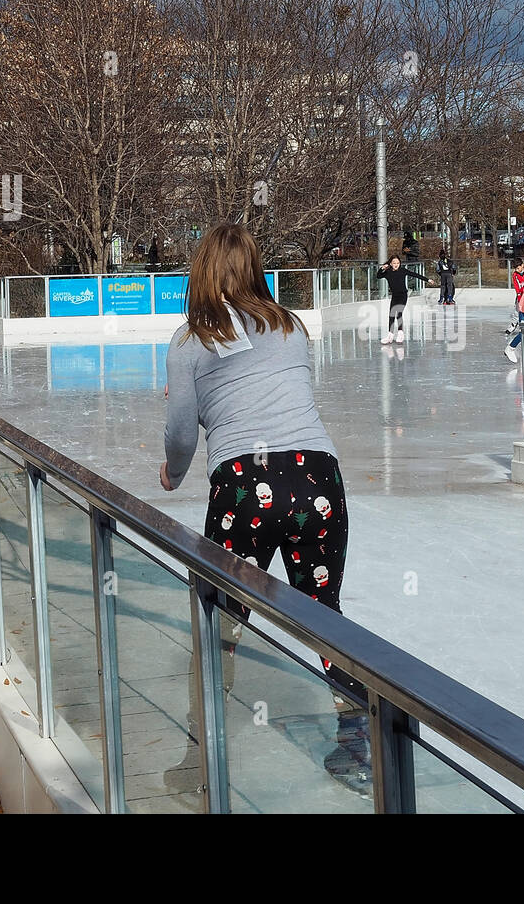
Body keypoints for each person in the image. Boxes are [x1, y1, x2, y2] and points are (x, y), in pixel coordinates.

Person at [160, 223, 370, 795]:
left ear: (200, 271)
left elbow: (181, 433)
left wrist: (173, 472)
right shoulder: (291, 327)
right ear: (255, 268)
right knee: (323, 616)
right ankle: (357, 749)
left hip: (244, 487)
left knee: (218, 623)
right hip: (315, 479)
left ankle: (201, 760)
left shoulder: (188, 343)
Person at [376, 255, 426, 344]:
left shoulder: (403, 271)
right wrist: (382, 268)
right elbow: (378, 276)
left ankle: (400, 334)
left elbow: (415, 275)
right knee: (391, 315)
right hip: (395, 296)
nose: (396, 265)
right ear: (390, 263)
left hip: (403, 295)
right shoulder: (388, 272)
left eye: (398, 263)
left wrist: (427, 280)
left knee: (399, 313)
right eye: (394, 263)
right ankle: (390, 336)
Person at [506, 261, 524, 334]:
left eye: (518, 268)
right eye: (515, 268)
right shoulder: (515, 275)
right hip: (521, 296)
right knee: (517, 311)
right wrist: (519, 296)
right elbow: (517, 287)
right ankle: (513, 324)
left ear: (522, 265)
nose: (516, 270)